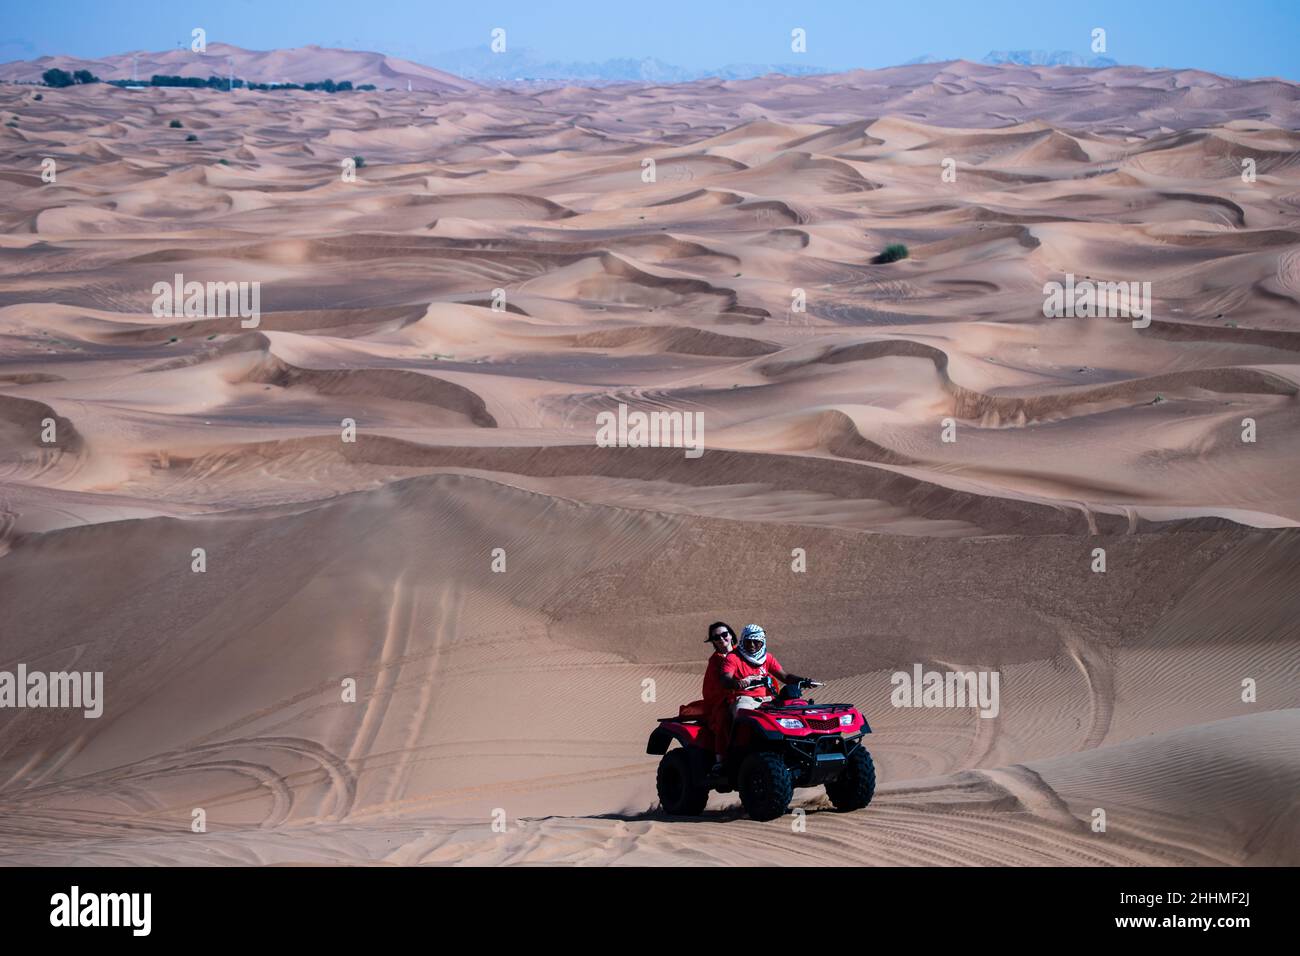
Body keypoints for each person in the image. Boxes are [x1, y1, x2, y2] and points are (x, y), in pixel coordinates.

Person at [721, 624, 816, 725]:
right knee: (742, 716)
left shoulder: (767, 658)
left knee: (796, 709)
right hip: (745, 699)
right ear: (742, 641)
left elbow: (785, 676)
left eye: (756, 642)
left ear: (762, 642)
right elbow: (725, 679)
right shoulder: (733, 657)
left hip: (769, 699)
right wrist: (737, 683)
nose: (752, 645)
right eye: (748, 641)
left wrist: (803, 680)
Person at [702, 621, 736, 770]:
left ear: (731, 635)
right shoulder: (715, 661)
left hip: (748, 695)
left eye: (724, 634)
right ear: (713, 642)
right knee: (724, 718)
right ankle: (720, 759)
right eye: (716, 637)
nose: (722, 639)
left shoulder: (742, 653)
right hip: (723, 701)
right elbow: (712, 687)